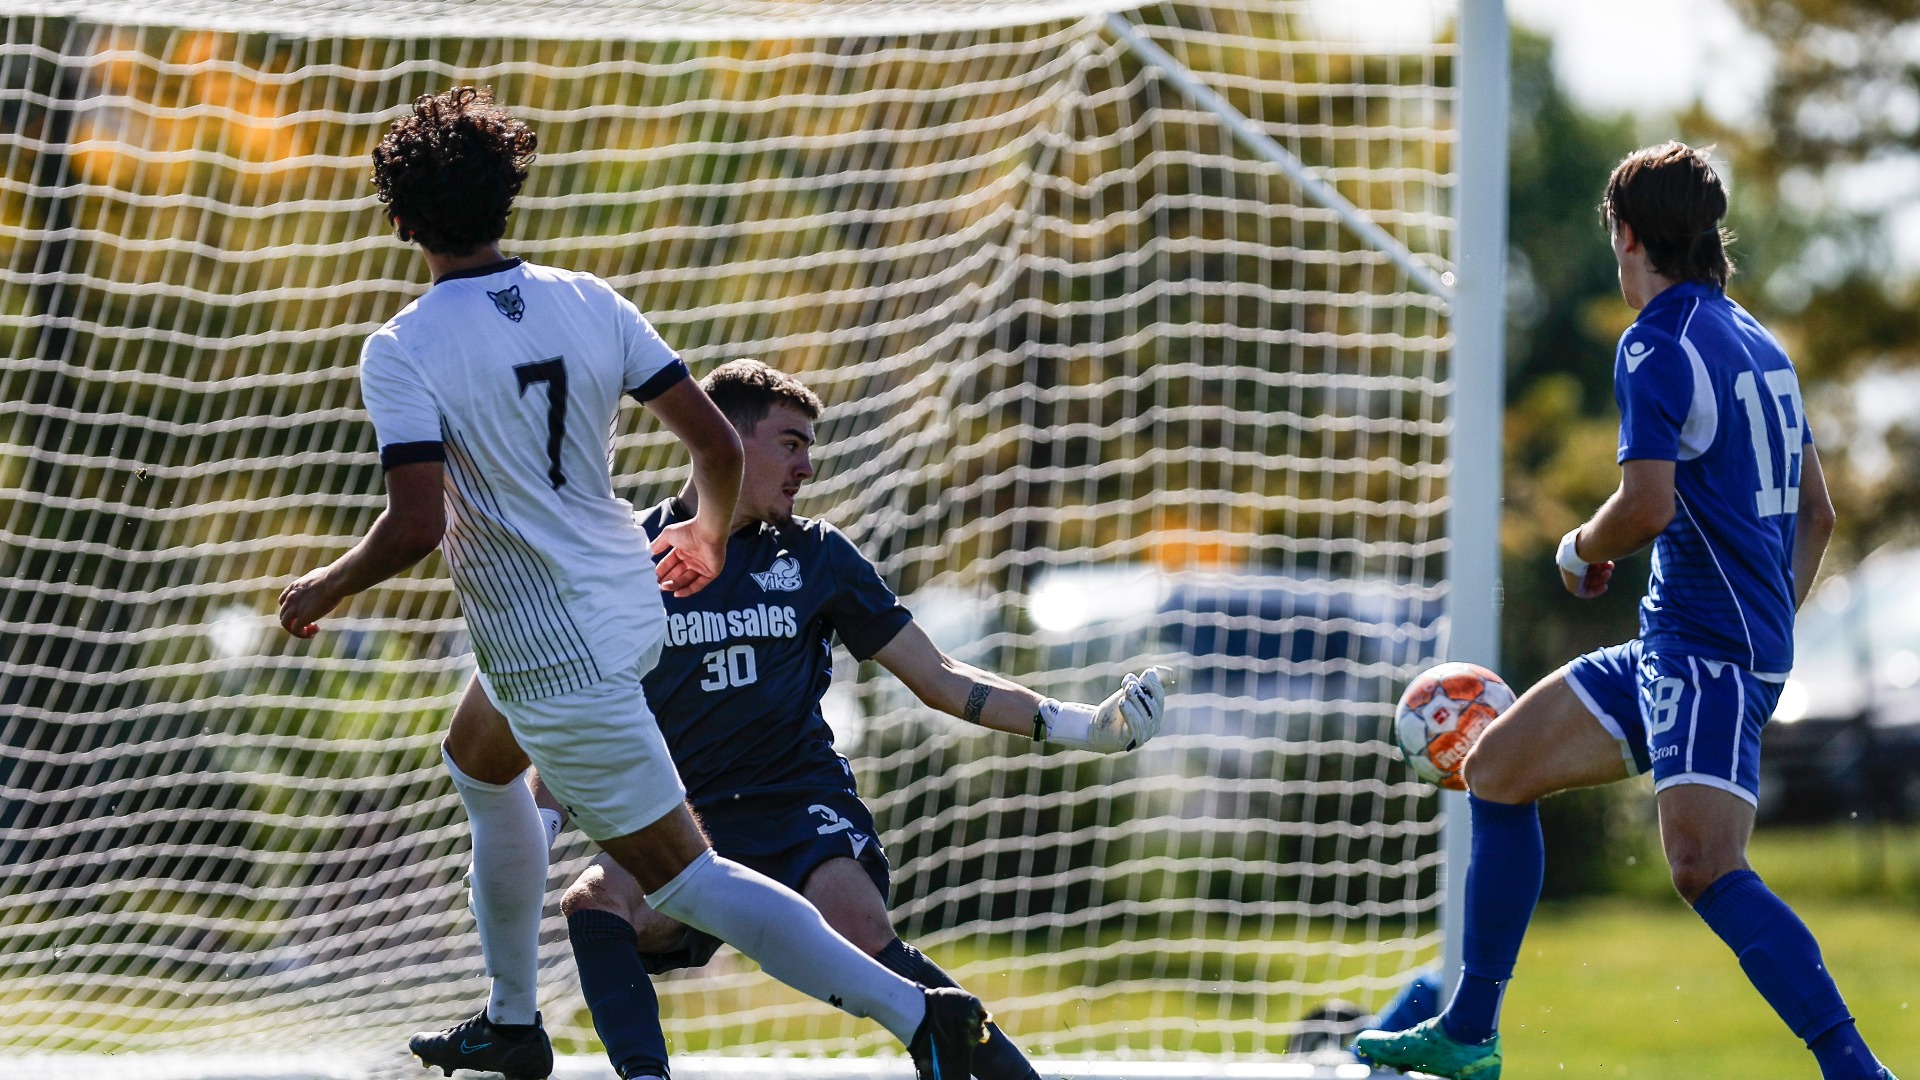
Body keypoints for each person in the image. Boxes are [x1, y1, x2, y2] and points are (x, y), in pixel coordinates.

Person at [276, 86, 994, 1080]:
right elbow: (710, 441)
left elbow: (416, 523)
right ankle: (514, 1022)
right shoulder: (587, 299)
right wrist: (704, 534)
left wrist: (327, 584)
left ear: (399, 217)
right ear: (507, 193)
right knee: (478, 762)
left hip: (552, 644)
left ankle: (915, 1014)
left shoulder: (403, 347)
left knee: (684, 878)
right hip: (619, 591)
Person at [1355, 142, 1895, 1080]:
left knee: (1703, 867)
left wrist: (1577, 550)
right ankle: (1470, 1032)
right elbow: (1820, 514)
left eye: (1614, 238)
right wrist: (1774, 628)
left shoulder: (1655, 341)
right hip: (1679, 646)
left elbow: (1647, 507)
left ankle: (1856, 1069)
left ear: (1630, 235)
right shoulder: (1761, 343)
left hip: (1705, 654)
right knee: (1497, 768)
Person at [503, 359, 1168, 1080]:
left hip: (799, 805)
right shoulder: (628, 556)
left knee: (861, 932)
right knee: (596, 902)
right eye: (792, 443)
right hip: (683, 818)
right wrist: (533, 824)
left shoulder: (818, 554)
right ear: (724, 438)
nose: (808, 466)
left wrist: (1082, 724)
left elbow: (940, 678)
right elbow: (576, 711)